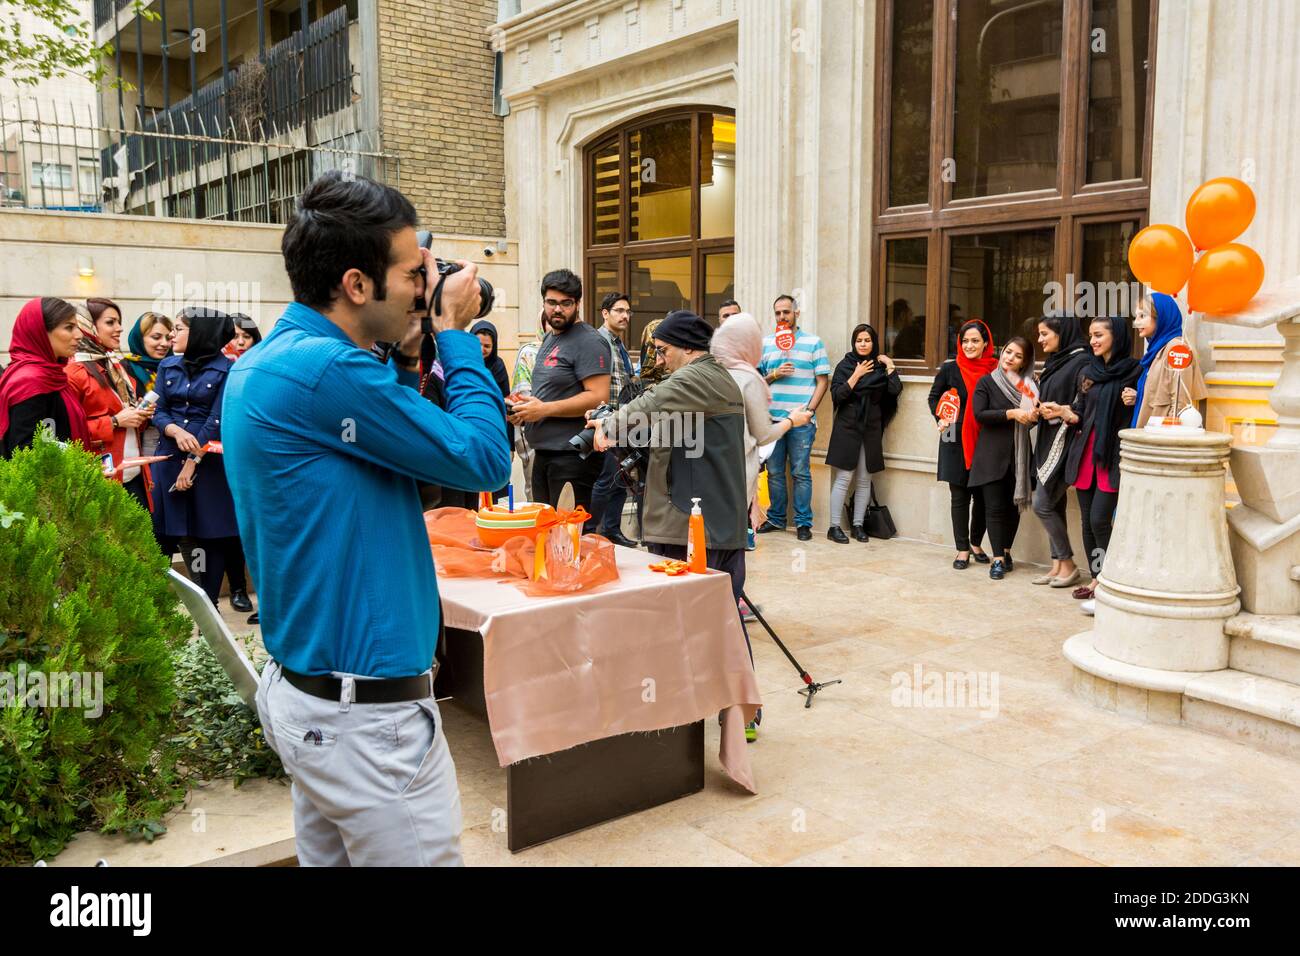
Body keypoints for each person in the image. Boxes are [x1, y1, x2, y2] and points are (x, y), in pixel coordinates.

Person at [223, 171, 510, 867]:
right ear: (357, 284)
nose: (425, 287)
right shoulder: (331, 373)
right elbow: (482, 460)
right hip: (367, 725)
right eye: (414, 273)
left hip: (312, 696)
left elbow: (401, 482)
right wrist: (457, 337)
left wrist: (410, 358)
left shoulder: (274, 362)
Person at [588, 310, 751, 731]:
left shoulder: (698, 377)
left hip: (697, 529)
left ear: (686, 347)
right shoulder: (710, 381)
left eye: (662, 350)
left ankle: (729, 713)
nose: (658, 359)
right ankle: (721, 713)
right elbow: (673, 431)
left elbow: (649, 406)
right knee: (717, 624)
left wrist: (609, 423)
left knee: (705, 627)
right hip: (695, 521)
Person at [712, 313, 813, 597]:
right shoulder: (747, 378)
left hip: (709, 467)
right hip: (736, 470)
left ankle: (714, 601)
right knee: (733, 543)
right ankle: (731, 601)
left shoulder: (710, 371)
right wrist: (793, 421)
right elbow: (763, 433)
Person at [151, 307, 242, 607]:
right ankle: (161, 609)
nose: (171, 336)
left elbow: (217, 419)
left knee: (210, 534)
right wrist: (175, 431)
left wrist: (192, 461)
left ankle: (210, 608)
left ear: (200, 333)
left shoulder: (228, 370)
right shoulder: (168, 366)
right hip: (168, 459)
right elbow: (160, 412)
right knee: (168, 532)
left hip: (209, 464)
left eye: (178, 329)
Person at [1046, 316, 1141, 603]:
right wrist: (1064, 413)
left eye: (1099, 334)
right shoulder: (1088, 372)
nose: (1093, 341)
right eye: (1091, 335)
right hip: (1086, 454)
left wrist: (1136, 399)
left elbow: (1143, 410)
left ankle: (1112, 577)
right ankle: (1097, 577)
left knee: (1101, 519)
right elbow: (1080, 411)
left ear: (1117, 335)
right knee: (1088, 521)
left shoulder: (1135, 371)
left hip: (1112, 456)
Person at [507, 269, 610, 527]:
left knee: (570, 541)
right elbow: (550, 394)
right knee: (547, 537)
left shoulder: (589, 341)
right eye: (552, 302)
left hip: (572, 457)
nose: (558, 310)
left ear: (578, 304)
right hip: (544, 455)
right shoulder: (552, 337)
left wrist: (543, 410)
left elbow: (598, 397)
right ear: (543, 303)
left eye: (566, 303)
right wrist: (524, 409)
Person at [65, 297, 154, 510]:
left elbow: (128, 425)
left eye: (119, 322)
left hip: (134, 474)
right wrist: (114, 421)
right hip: (101, 477)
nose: (119, 328)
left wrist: (139, 415)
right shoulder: (73, 372)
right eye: (110, 322)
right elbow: (68, 433)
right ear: (88, 325)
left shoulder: (115, 366)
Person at [756, 294, 830, 541]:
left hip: (801, 421)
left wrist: (809, 411)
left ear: (796, 313)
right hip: (772, 421)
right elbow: (755, 381)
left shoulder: (813, 342)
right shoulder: (765, 343)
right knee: (775, 472)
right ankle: (776, 519)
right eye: (777, 313)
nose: (782, 317)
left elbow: (822, 381)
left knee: (800, 472)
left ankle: (803, 523)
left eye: (786, 312)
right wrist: (774, 374)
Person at [927, 319, 996, 569]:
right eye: (965, 340)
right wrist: (941, 415)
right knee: (959, 496)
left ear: (986, 343)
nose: (969, 345)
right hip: (954, 439)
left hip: (986, 440)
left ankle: (976, 543)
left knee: (983, 497)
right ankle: (962, 549)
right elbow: (934, 396)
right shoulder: (949, 369)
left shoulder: (995, 369)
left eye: (975, 340)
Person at [969, 336, 1038, 580]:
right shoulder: (986, 382)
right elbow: (980, 414)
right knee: (995, 508)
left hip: (1018, 456)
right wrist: (1010, 413)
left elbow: (1034, 416)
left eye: (1018, 356)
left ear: (1024, 362)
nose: (1010, 358)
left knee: (1012, 509)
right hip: (991, 455)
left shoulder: (1029, 386)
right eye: (1008, 352)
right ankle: (997, 559)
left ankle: (1006, 552)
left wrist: (1034, 415)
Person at [825, 323, 900, 543]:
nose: (863, 344)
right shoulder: (845, 365)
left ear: (874, 342)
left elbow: (894, 390)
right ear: (854, 342)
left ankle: (858, 525)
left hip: (871, 427)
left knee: (865, 478)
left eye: (867, 340)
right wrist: (856, 375)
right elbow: (837, 395)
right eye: (859, 340)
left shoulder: (879, 366)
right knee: (844, 476)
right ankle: (834, 526)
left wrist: (890, 365)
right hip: (847, 426)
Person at [1030, 315, 1090, 588]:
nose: (1040, 339)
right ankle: (1057, 565)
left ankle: (1068, 563)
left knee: (1042, 502)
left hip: (1066, 439)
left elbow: (1082, 404)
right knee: (1054, 503)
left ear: (1061, 333)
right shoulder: (1058, 361)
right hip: (1048, 435)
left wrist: (1060, 409)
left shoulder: (1081, 361)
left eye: (1045, 334)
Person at [1, 297, 90, 457]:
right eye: (69, 328)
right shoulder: (30, 380)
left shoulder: (53, 375)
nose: (79, 335)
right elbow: (25, 451)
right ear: (40, 332)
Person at [221, 313, 262, 619]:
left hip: (262, 462)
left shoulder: (262, 366)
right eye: (234, 337)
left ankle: (269, 603)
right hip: (229, 463)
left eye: (245, 337)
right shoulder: (223, 370)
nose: (239, 342)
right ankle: (242, 590)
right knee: (238, 531)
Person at [589, 291, 638, 547]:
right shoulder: (598, 341)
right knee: (606, 477)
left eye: (628, 311)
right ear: (605, 313)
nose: (625, 316)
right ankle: (591, 533)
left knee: (621, 476)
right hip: (605, 420)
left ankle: (612, 530)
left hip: (623, 420)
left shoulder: (619, 344)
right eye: (619, 310)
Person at [1127, 291, 1208, 428]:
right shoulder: (1157, 350)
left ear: (1160, 317)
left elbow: (1180, 403)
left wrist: (1165, 436)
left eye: (1142, 316)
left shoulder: (1177, 348)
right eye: (1136, 317)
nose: (1136, 322)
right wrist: (1140, 396)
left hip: (1161, 438)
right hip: (1150, 433)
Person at [471, 318, 513, 503]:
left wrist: (510, 445)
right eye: (478, 344)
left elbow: (507, 405)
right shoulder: (462, 365)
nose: (482, 350)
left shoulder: (498, 366)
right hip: (469, 433)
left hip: (494, 434)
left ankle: (500, 524)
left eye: (487, 346)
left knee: (499, 488)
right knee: (469, 487)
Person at [510, 309, 546, 501]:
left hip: (564, 434)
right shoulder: (529, 352)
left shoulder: (573, 350)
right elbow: (521, 394)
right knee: (536, 489)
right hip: (535, 429)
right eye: (547, 321)